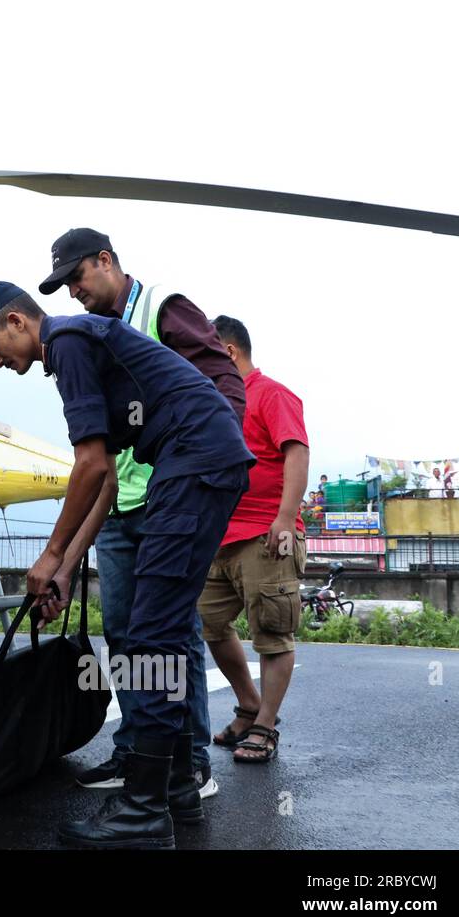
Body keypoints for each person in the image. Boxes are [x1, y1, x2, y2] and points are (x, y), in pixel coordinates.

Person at [0, 281, 252, 848]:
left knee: (151, 637)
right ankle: (174, 788)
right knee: (158, 633)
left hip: (193, 462)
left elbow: (89, 465)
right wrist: (67, 565)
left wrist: (47, 553)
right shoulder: (88, 346)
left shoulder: (68, 340)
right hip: (198, 462)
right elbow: (109, 479)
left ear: (19, 321)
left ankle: (144, 808)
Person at [37, 228, 245, 798]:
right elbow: (100, 455)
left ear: (106, 261)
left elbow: (223, 387)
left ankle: (190, 760)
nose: (73, 293)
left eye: (77, 278)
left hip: (172, 496)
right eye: (64, 286)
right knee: (127, 637)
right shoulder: (88, 337)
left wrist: (196, 472)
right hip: (118, 506)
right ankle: (135, 751)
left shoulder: (162, 306)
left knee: (172, 631)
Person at [200, 316, 309, 764]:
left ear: (228, 353)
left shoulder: (272, 394)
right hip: (219, 538)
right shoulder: (217, 403)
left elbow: (297, 451)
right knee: (208, 622)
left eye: (204, 356)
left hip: (265, 534)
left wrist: (285, 519)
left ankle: (265, 725)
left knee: (271, 632)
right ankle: (249, 705)